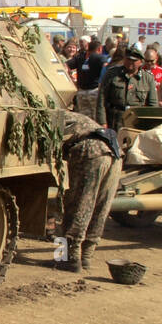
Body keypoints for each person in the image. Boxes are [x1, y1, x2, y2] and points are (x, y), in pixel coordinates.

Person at [54, 110, 122, 273]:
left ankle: (68, 259)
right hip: (114, 151)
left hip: (90, 151)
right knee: (101, 206)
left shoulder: (48, 117)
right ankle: (86, 258)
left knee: (77, 204)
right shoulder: (72, 116)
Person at [96, 46, 158, 127]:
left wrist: (151, 124)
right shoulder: (112, 74)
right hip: (114, 119)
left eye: (134, 61)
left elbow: (153, 104)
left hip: (137, 120)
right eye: (128, 59)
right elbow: (101, 99)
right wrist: (102, 122)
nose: (130, 62)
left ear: (141, 62)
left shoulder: (147, 78)